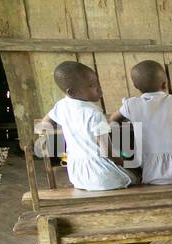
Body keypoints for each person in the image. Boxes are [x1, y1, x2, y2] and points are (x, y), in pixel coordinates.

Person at [34, 61, 133, 191]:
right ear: (72, 92)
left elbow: (43, 125)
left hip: (77, 176)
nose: (99, 88)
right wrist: (122, 163)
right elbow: (107, 152)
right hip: (103, 176)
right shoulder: (94, 114)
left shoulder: (61, 106)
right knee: (134, 176)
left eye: (97, 82)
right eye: (92, 85)